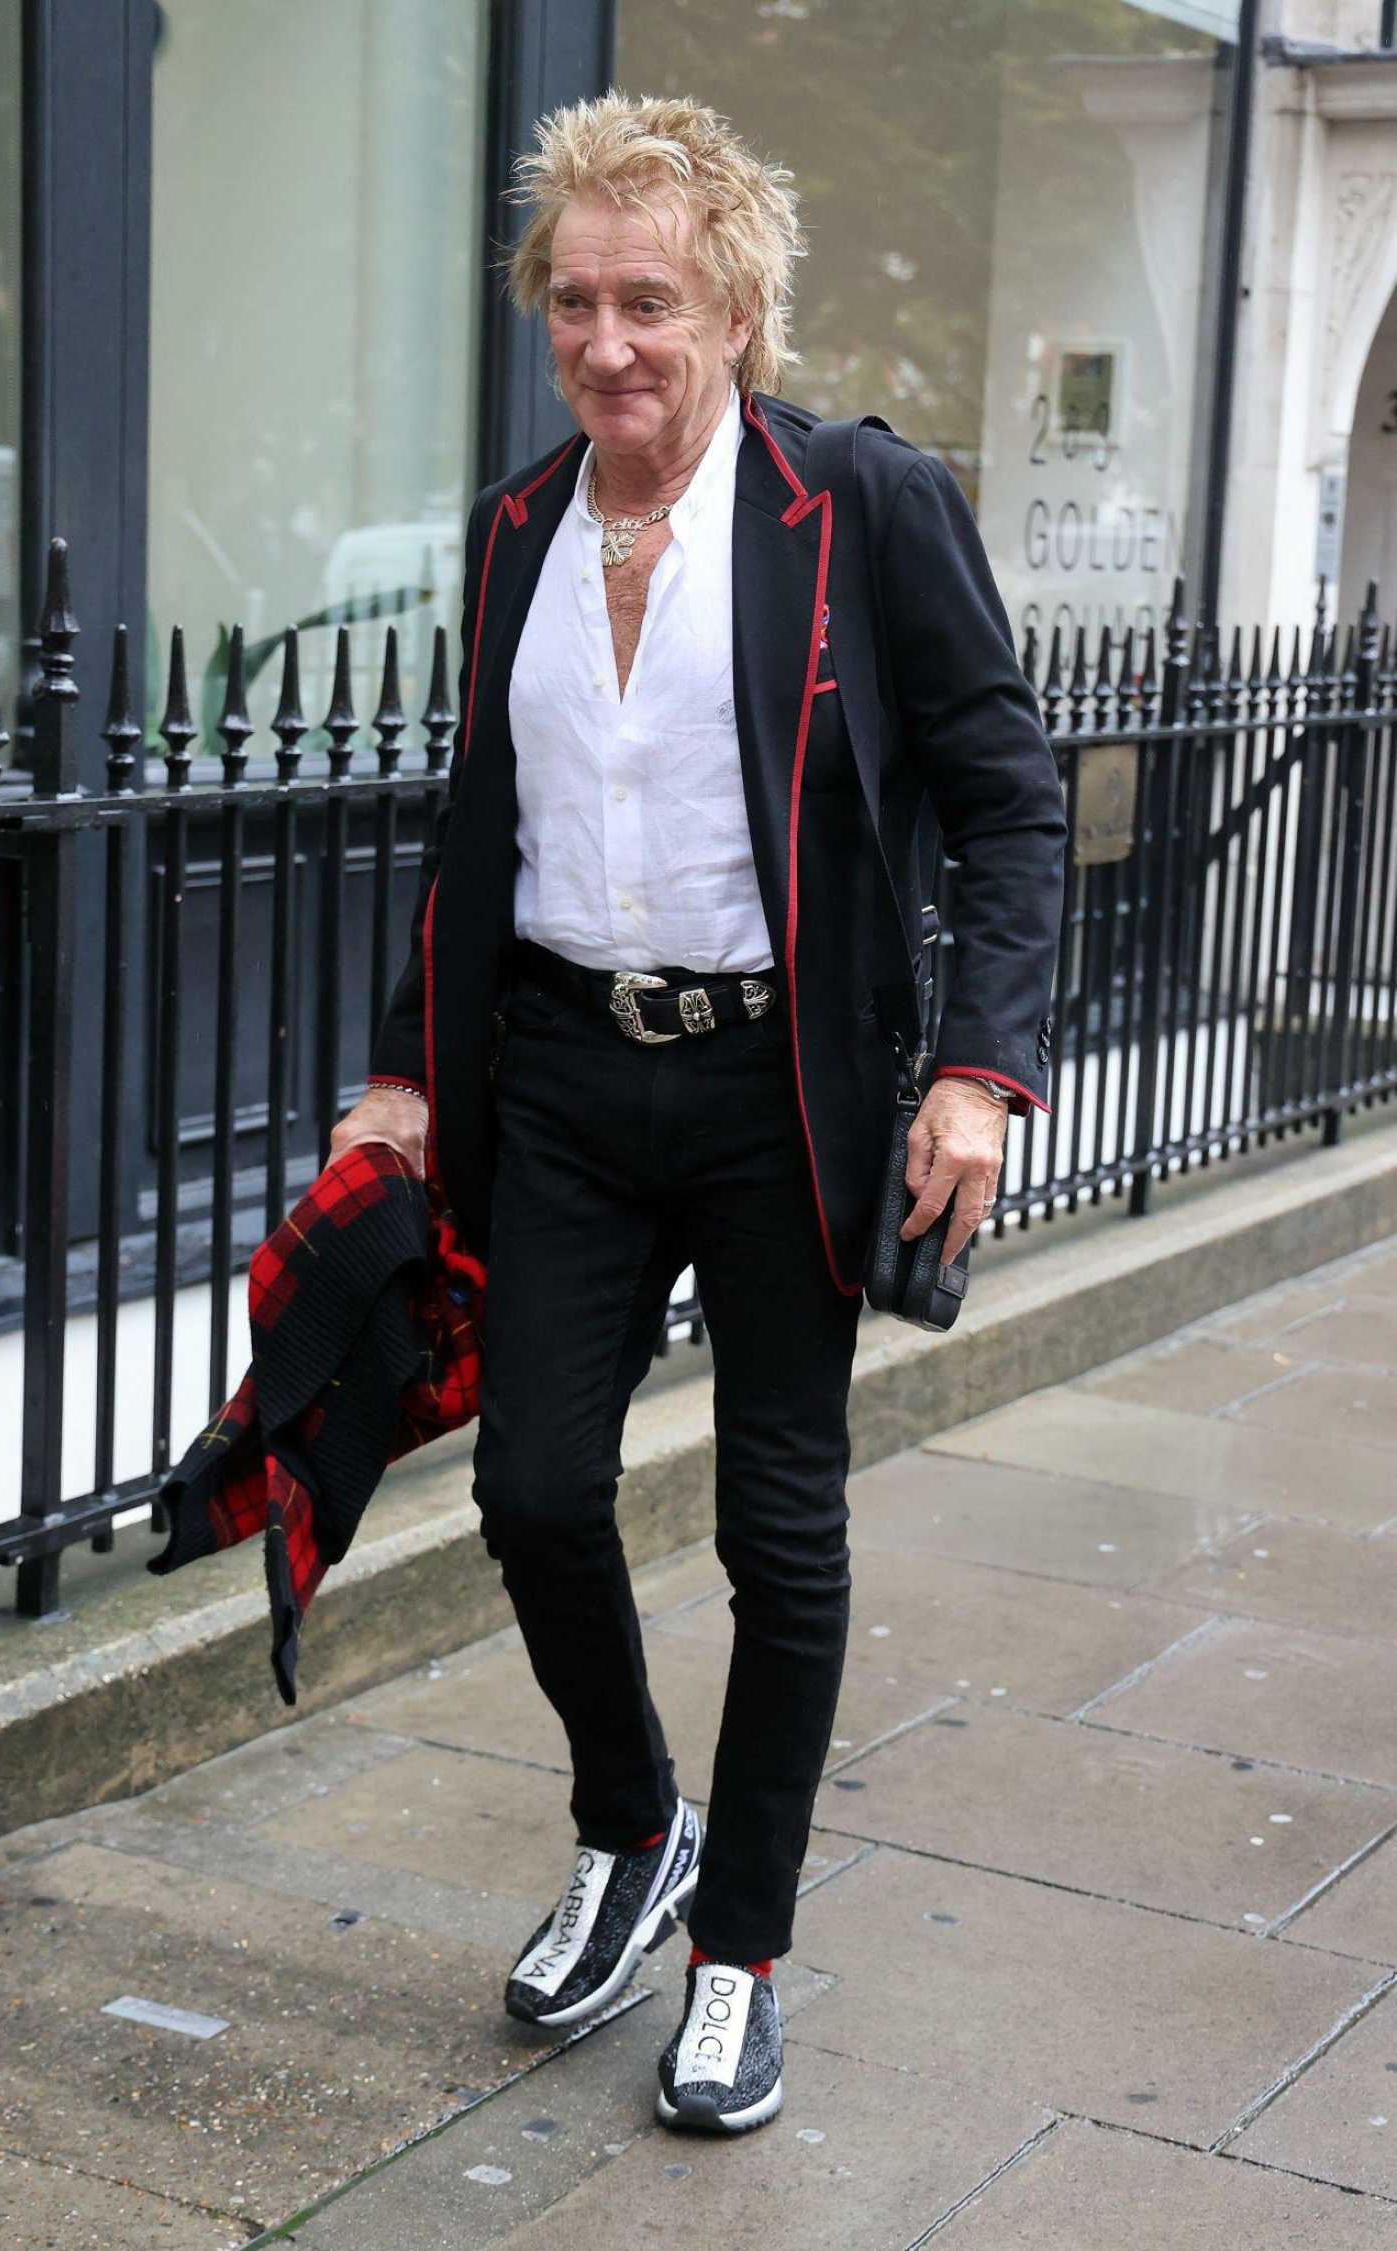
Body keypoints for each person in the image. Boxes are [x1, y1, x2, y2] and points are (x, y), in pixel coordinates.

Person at [330, 92, 1066, 2135]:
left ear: (736, 304)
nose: (607, 340)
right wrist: (408, 1063)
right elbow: (479, 832)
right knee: (534, 1490)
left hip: (780, 1090)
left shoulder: (861, 507)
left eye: (648, 298)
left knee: (779, 1529)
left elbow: (1009, 804)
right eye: (573, 299)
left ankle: (739, 1944)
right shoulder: (515, 534)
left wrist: (983, 1068)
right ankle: (634, 1822)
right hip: (564, 1077)